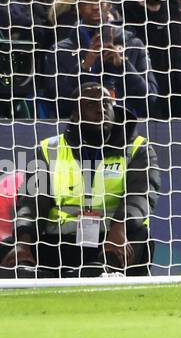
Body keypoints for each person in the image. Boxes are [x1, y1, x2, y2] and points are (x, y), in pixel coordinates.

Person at [1, 80, 158, 278]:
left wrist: (120, 228)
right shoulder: (49, 149)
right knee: (7, 249)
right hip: (60, 241)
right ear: (75, 115)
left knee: (139, 235)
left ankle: (101, 270)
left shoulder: (138, 148)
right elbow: (32, 201)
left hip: (111, 239)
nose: (101, 109)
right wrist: (23, 243)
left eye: (106, 103)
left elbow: (141, 196)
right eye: (92, 105)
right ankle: (30, 271)